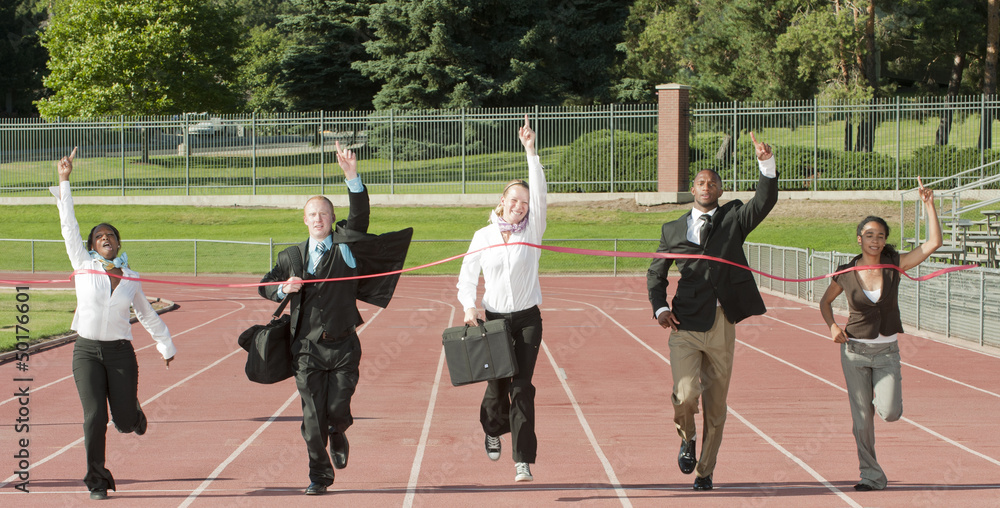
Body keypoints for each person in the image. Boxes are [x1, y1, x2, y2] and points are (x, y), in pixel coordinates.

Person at [258, 141, 412, 496]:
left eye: (324, 214)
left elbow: (360, 218)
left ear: (331, 219)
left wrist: (352, 176)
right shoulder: (292, 256)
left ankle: (339, 430)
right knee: (312, 421)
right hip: (306, 350)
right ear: (305, 220)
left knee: (337, 408)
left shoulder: (347, 246)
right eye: (312, 214)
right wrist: (283, 289)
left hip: (343, 346)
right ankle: (319, 476)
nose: (318, 219)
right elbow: (264, 286)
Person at [646, 133, 777, 491]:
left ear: (720, 190)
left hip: (721, 323)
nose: (707, 186)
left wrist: (766, 165)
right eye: (701, 182)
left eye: (713, 182)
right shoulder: (672, 229)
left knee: (716, 407)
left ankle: (705, 471)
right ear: (693, 188)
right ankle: (686, 438)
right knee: (686, 394)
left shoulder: (734, 216)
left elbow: (764, 202)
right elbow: (656, 274)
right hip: (684, 323)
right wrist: (660, 308)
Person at [52, 147, 176, 501]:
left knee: (121, 421)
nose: (105, 238)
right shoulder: (82, 264)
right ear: (91, 246)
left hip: (121, 353)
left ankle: (134, 416)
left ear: (119, 242)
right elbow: (68, 225)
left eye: (111, 235)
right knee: (93, 417)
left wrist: (165, 345)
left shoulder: (132, 277)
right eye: (98, 236)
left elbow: (148, 314)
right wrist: (64, 181)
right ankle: (96, 479)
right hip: (87, 351)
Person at [819, 178, 941, 492]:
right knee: (862, 422)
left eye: (881, 236)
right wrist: (832, 325)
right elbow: (825, 301)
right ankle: (872, 476)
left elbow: (932, 245)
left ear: (885, 240)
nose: (875, 240)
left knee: (890, 412)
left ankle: (875, 400)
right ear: (859, 239)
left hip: (887, 353)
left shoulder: (894, 266)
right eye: (869, 235)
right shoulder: (845, 272)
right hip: (855, 352)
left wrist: (928, 205)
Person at [457, 114, 546, 483]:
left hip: (527, 320)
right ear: (502, 201)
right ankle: (492, 429)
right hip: (493, 320)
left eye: (524, 201)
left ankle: (521, 458)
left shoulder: (535, 229)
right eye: (514, 199)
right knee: (497, 387)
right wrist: (469, 307)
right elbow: (466, 275)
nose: (520, 205)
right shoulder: (483, 235)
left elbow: (539, 191)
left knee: (522, 387)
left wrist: (530, 150)